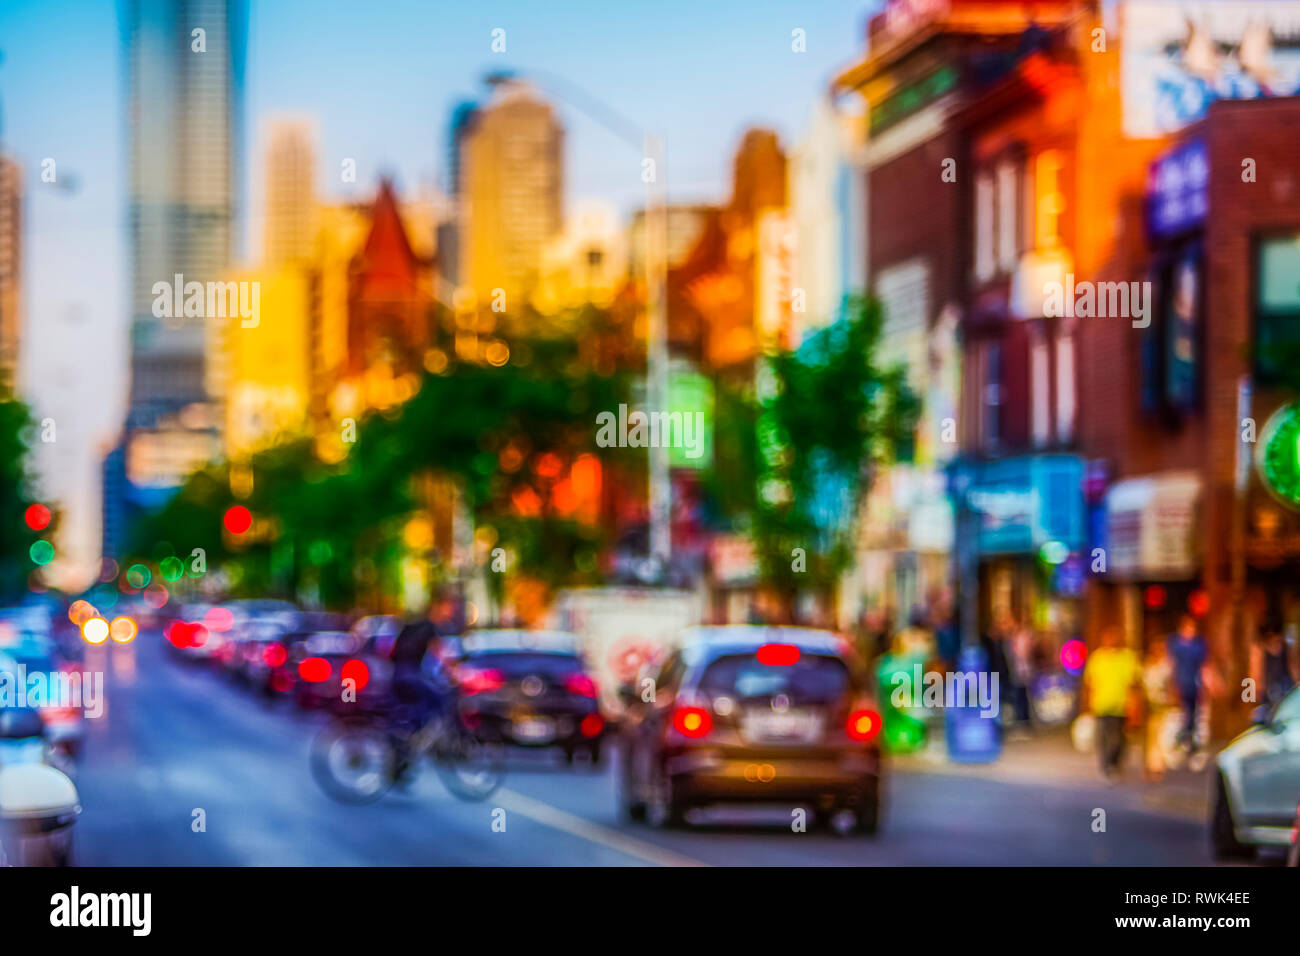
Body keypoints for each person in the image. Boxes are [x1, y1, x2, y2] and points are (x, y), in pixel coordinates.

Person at [1082, 626, 1142, 780]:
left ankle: (1115, 763)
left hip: (1121, 705)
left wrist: (1134, 705)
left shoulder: (1127, 657)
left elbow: (1134, 683)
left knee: (1118, 738)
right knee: (1103, 737)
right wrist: (1087, 705)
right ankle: (1106, 766)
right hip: (1101, 704)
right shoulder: (1097, 657)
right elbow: (1090, 683)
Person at [1167, 614, 1209, 755]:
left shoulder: (1199, 645)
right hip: (1181, 683)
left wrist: (1207, 684)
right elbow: (1171, 664)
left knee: (1194, 714)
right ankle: (1181, 738)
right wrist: (1172, 684)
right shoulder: (1176, 644)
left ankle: (1189, 740)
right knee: (1182, 714)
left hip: (1194, 685)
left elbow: (1204, 666)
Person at [1141, 637, 1176, 781]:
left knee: (1161, 738)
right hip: (1150, 707)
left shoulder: (1166, 667)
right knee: (1150, 739)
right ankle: (1150, 766)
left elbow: (1171, 685)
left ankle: (1158, 767)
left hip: (1163, 706)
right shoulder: (1148, 666)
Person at [1250, 621, 1297, 709]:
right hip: (1267, 698)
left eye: (1278, 641)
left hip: (1284, 694)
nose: (1276, 646)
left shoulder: (1285, 650)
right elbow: (1255, 675)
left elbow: (1292, 670)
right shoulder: (1258, 651)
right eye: (1273, 641)